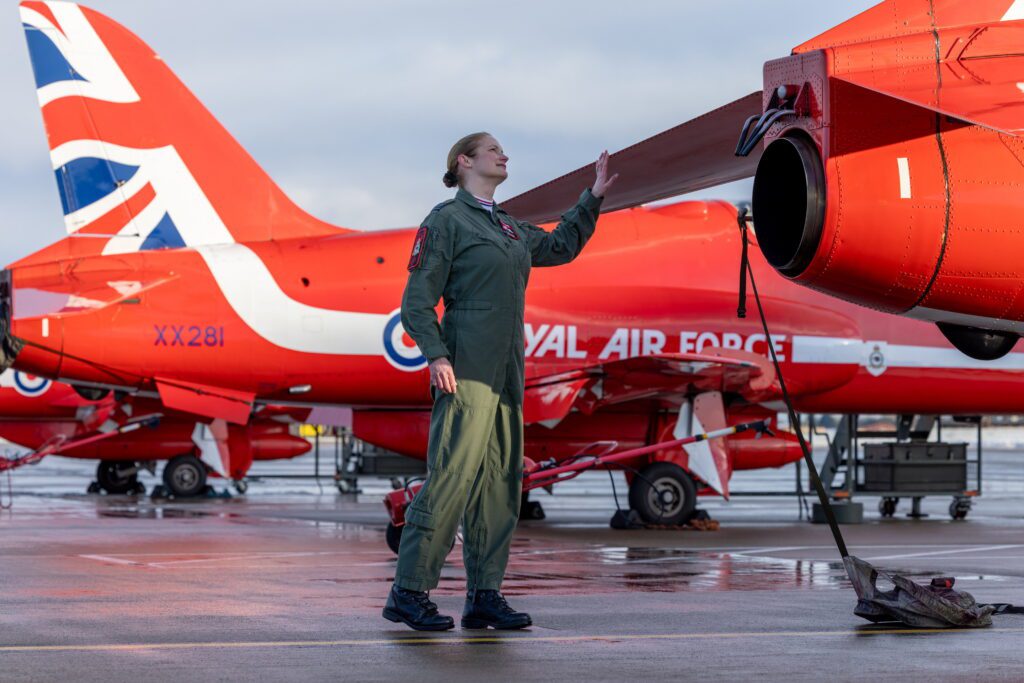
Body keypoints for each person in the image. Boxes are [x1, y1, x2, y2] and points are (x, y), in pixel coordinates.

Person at [382, 132, 618, 631]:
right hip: (465, 361)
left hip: (507, 366)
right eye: (493, 149)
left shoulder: (508, 228)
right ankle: (408, 590)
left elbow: (559, 247)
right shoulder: (446, 221)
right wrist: (437, 356)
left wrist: (591, 198)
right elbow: (416, 301)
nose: (503, 154)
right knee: (453, 474)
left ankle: (484, 595)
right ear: (464, 161)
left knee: (500, 481)